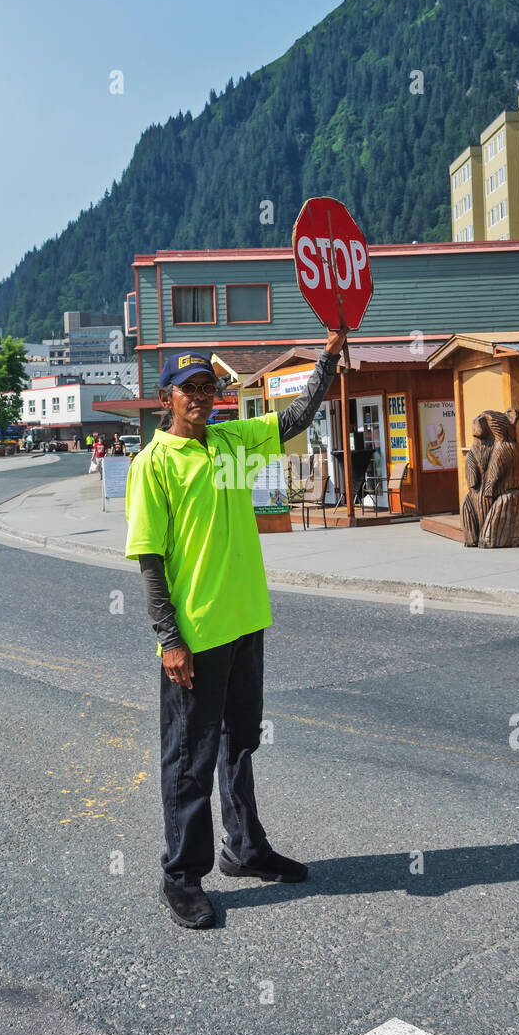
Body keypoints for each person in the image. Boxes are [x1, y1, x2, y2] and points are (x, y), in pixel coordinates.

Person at [125, 327, 348, 929]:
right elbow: (149, 558)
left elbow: (297, 418)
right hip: (196, 635)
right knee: (189, 758)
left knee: (239, 742)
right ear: (166, 397)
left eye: (207, 386)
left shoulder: (232, 444)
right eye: (188, 387)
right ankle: (181, 875)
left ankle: (244, 848)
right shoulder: (153, 464)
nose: (200, 395)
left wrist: (329, 356)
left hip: (247, 622)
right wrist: (168, 638)